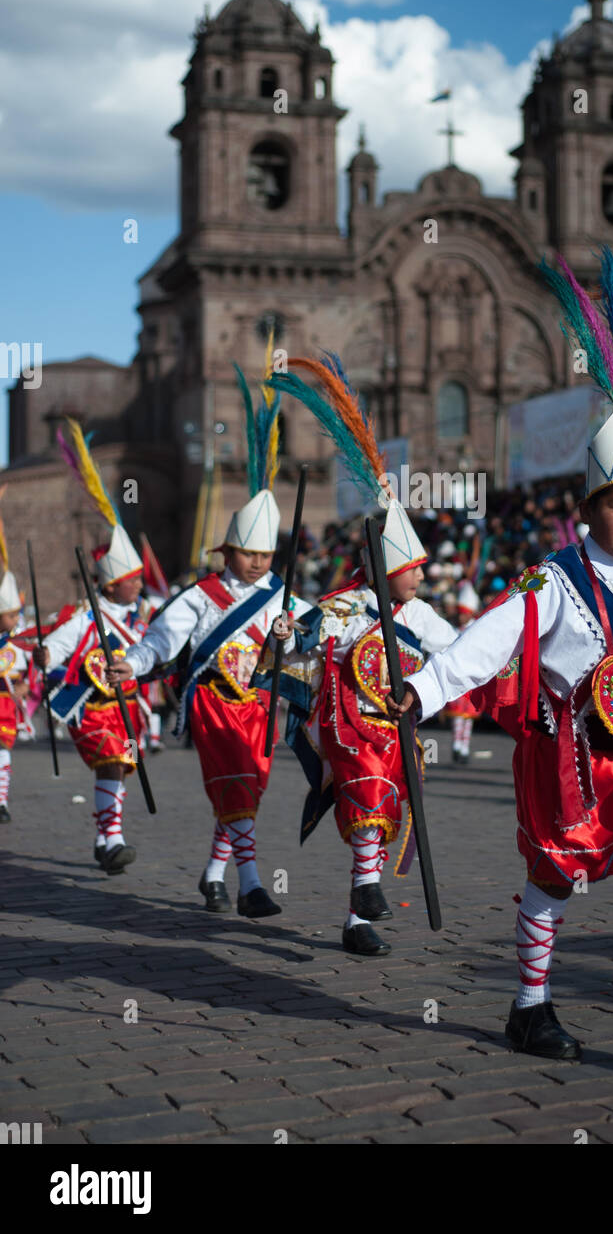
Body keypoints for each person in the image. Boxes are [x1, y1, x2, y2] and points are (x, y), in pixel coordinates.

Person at [389, 249, 613, 1066]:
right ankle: (529, 1006)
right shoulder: (552, 579)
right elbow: (486, 641)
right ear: (588, 508)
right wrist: (423, 687)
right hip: (573, 760)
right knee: (553, 878)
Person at [264, 353, 459, 956]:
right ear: (382, 570)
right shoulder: (348, 607)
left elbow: (462, 650)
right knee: (370, 790)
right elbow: (306, 635)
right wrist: (284, 632)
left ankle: (357, 919)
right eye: (412, 571)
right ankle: (368, 887)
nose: (421, 580)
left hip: (393, 721)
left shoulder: (420, 616)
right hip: (346, 724)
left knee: (382, 809)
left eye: (423, 570)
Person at [109, 358, 288, 916]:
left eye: (264, 554)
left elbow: (315, 631)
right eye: (248, 553)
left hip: (258, 701)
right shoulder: (199, 595)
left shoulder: (281, 593)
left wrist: (293, 631)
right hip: (213, 702)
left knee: (243, 790)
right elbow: (162, 640)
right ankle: (251, 884)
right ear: (227, 551)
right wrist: (133, 665)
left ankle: (213, 876)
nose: (257, 563)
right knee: (235, 782)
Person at [34, 421, 155, 873]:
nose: (140, 585)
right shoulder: (88, 616)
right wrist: (48, 655)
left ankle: (107, 837)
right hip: (92, 706)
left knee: (119, 768)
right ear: (113, 585)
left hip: (129, 705)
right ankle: (112, 837)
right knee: (112, 760)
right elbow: (59, 646)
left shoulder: (141, 619)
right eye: (133, 581)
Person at [0, 510, 30, 823]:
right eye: (11, 614)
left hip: (5, 705)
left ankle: (1, 799)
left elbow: (25, 671)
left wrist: (25, 685)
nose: (16, 619)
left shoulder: (17, 642)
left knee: (2, 751)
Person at [446, 581, 481, 765]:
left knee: (468, 717)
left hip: (471, 677)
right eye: (459, 613)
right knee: (458, 715)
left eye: (464, 613)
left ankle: (464, 746)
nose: (461, 617)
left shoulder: (477, 629)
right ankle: (456, 745)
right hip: (457, 676)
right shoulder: (452, 630)